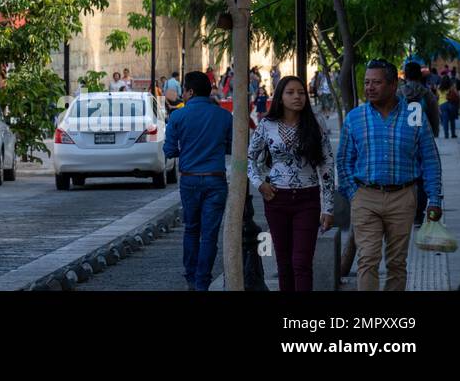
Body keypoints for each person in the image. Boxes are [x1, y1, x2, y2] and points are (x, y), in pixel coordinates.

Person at [337, 59, 443, 291]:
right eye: (366, 82)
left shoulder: (413, 115)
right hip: (365, 197)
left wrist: (434, 199)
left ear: (394, 85)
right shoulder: (355, 118)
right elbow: (343, 160)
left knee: (397, 264)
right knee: (367, 260)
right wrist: (354, 194)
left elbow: (430, 158)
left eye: (376, 82)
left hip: (403, 198)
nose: (369, 88)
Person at [248, 76, 335, 291]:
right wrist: (260, 183)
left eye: (301, 92)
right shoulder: (266, 125)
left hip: (308, 199)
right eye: (290, 92)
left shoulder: (316, 123)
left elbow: (327, 165)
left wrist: (328, 207)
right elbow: (248, 159)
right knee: (284, 264)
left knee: (302, 263)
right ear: (280, 97)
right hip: (276, 199)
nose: (297, 96)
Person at [164, 71, 233, 291]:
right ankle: (204, 280)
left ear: (190, 91)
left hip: (190, 180)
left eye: (183, 89)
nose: (182, 94)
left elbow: (169, 151)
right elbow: (232, 147)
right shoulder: (223, 116)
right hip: (215, 179)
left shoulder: (177, 116)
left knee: (192, 229)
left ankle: (191, 278)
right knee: (210, 234)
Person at [399, 61, 441, 225]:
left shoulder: (399, 93)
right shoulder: (426, 93)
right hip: (422, 137)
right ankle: (418, 213)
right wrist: (433, 135)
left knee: (406, 173)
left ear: (406, 75)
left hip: (403, 138)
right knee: (423, 176)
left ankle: (404, 210)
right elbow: (434, 116)